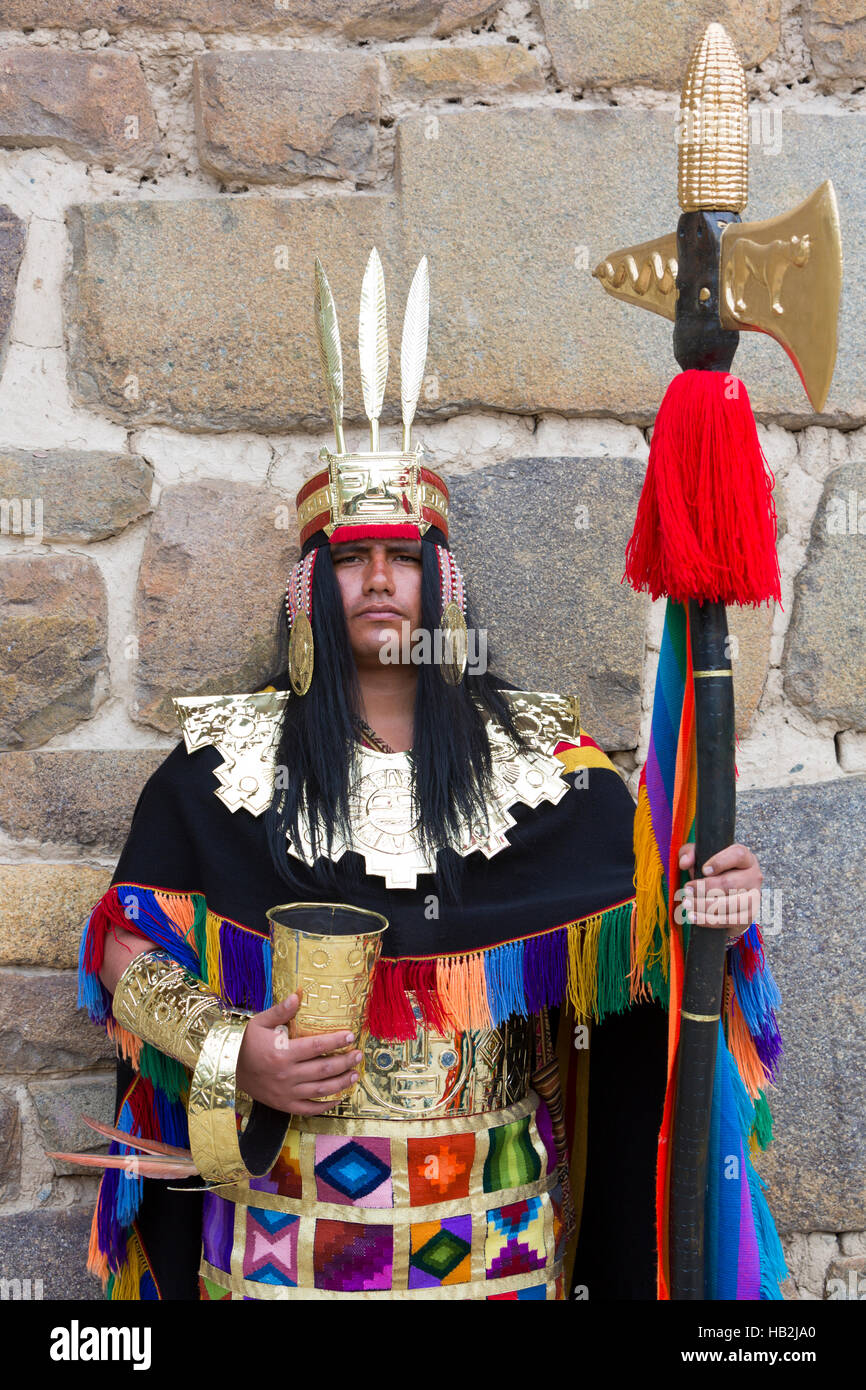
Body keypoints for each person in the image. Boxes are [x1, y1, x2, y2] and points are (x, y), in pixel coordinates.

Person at [76, 251, 774, 1302]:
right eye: (351, 559)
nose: (377, 581)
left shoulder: (547, 767)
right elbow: (123, 938)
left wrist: (707, 902)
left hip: (489, 1234)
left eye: (400, 557)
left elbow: (637, 946)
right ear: (310, 588)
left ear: (438, 581)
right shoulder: (221, 766)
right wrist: (230, 1052)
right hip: (280, 1231)